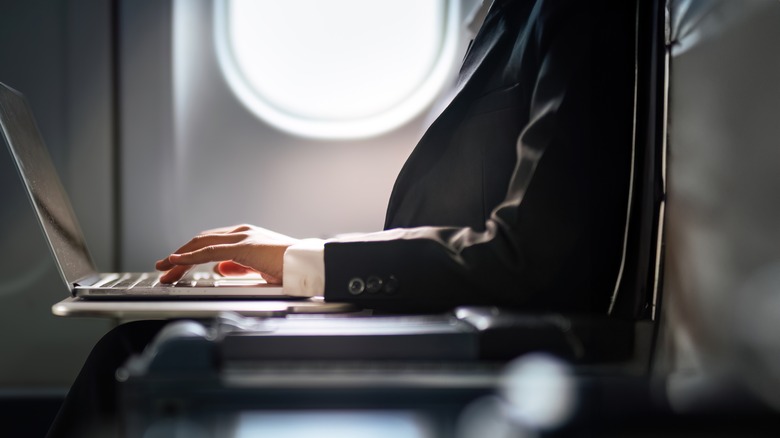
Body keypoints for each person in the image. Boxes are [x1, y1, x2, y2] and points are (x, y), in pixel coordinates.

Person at [47, 0, 635, 436]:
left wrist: (311, 262)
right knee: (139, 344)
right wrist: (301, 268)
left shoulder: (577, 13)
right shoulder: (509, 13)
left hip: (489, 340)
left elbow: (528, 257)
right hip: (440, 312)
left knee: (133, 353)